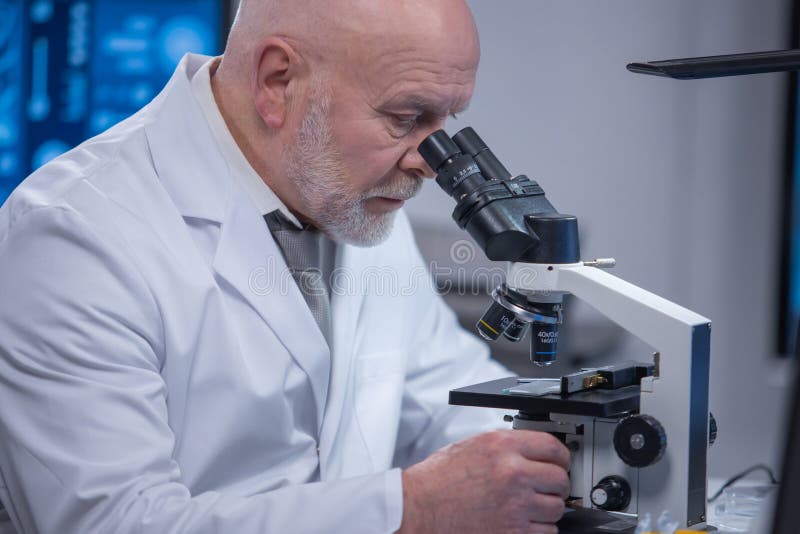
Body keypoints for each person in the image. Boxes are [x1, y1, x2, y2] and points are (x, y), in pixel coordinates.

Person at [0, 0, 570, 532]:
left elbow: (451, 396)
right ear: (278, 82)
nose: (429, 161)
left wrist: (552, 459)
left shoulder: (353, 201)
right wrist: (412, 509)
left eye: (447, 120)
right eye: (405, 116)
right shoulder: (72, 237)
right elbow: (115, 522)